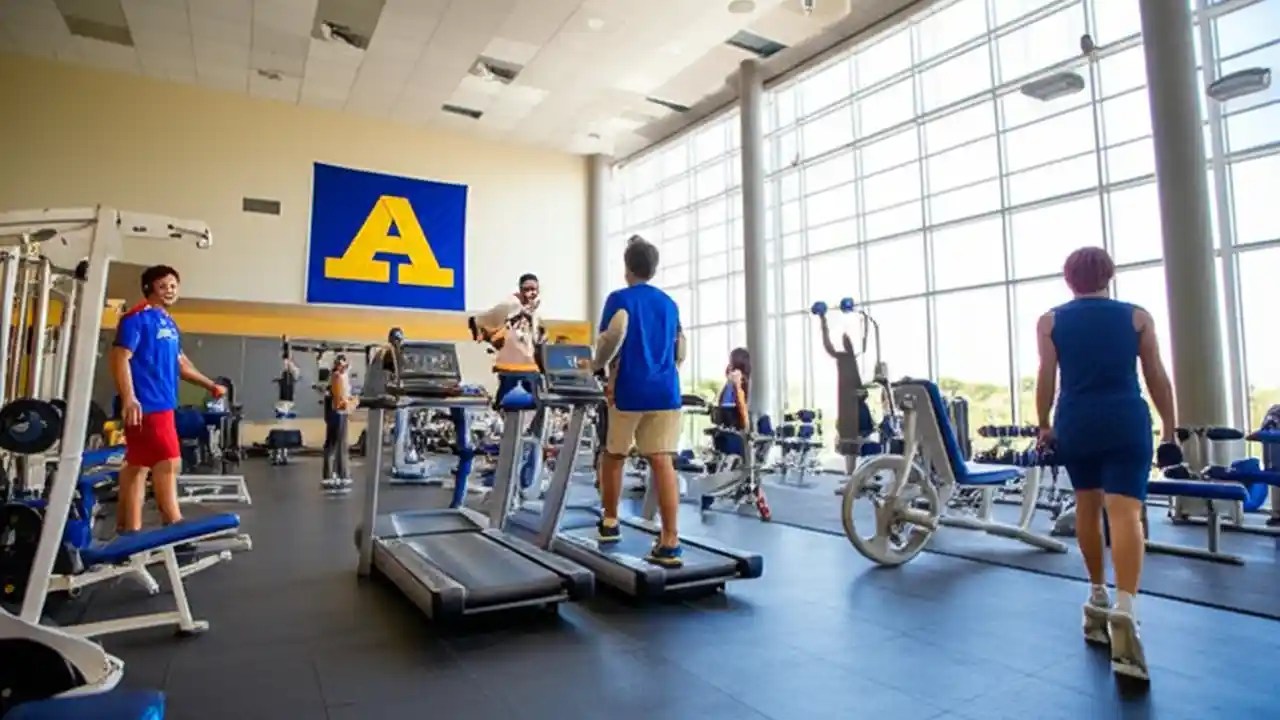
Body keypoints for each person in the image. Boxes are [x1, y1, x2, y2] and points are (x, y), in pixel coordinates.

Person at [1034, 246, 1175, 683]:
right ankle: (1126, 608)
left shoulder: (1051, 321)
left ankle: (1096, 597)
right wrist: (1170, 429)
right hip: (1125, 420)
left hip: (1077, 421)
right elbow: (1155, 374)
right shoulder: (1137, 317)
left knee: (1088, 507)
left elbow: (1046, 377)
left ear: (1068, 278)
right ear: (1109, 276)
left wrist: (1043, 425)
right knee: (1126, 514)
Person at [110, 265, 225, 535]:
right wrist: (129, 399)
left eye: (173, 285)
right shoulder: (136, 318)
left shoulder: (168, 322)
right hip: (148, 405)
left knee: (137, 465)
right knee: (169, 462)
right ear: (150, 289)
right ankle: (173, 525)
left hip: (162, 404)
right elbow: (119, 358)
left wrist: (210, 385)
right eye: (163, 286)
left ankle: (128, 529)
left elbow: (181, 364)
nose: (170, 290)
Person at [594, 236, 687, 567]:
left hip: (629, 390)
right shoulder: (669, 304)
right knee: (662, 460)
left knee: (614, 454)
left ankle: (609, 521)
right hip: (666, 392)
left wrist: (593, 367)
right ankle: (671, 540)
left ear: (626, 267)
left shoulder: (619, 299)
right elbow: (681, 349)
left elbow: (610, 339)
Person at [322, 354, 355, 490]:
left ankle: (341, 473)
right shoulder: (337, 377)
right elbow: (340, 400)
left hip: (339, 413)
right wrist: (353, 402)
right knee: (334, 444)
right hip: (337, 413)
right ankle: (331, 474)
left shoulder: (341, 377)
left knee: (340, 444)